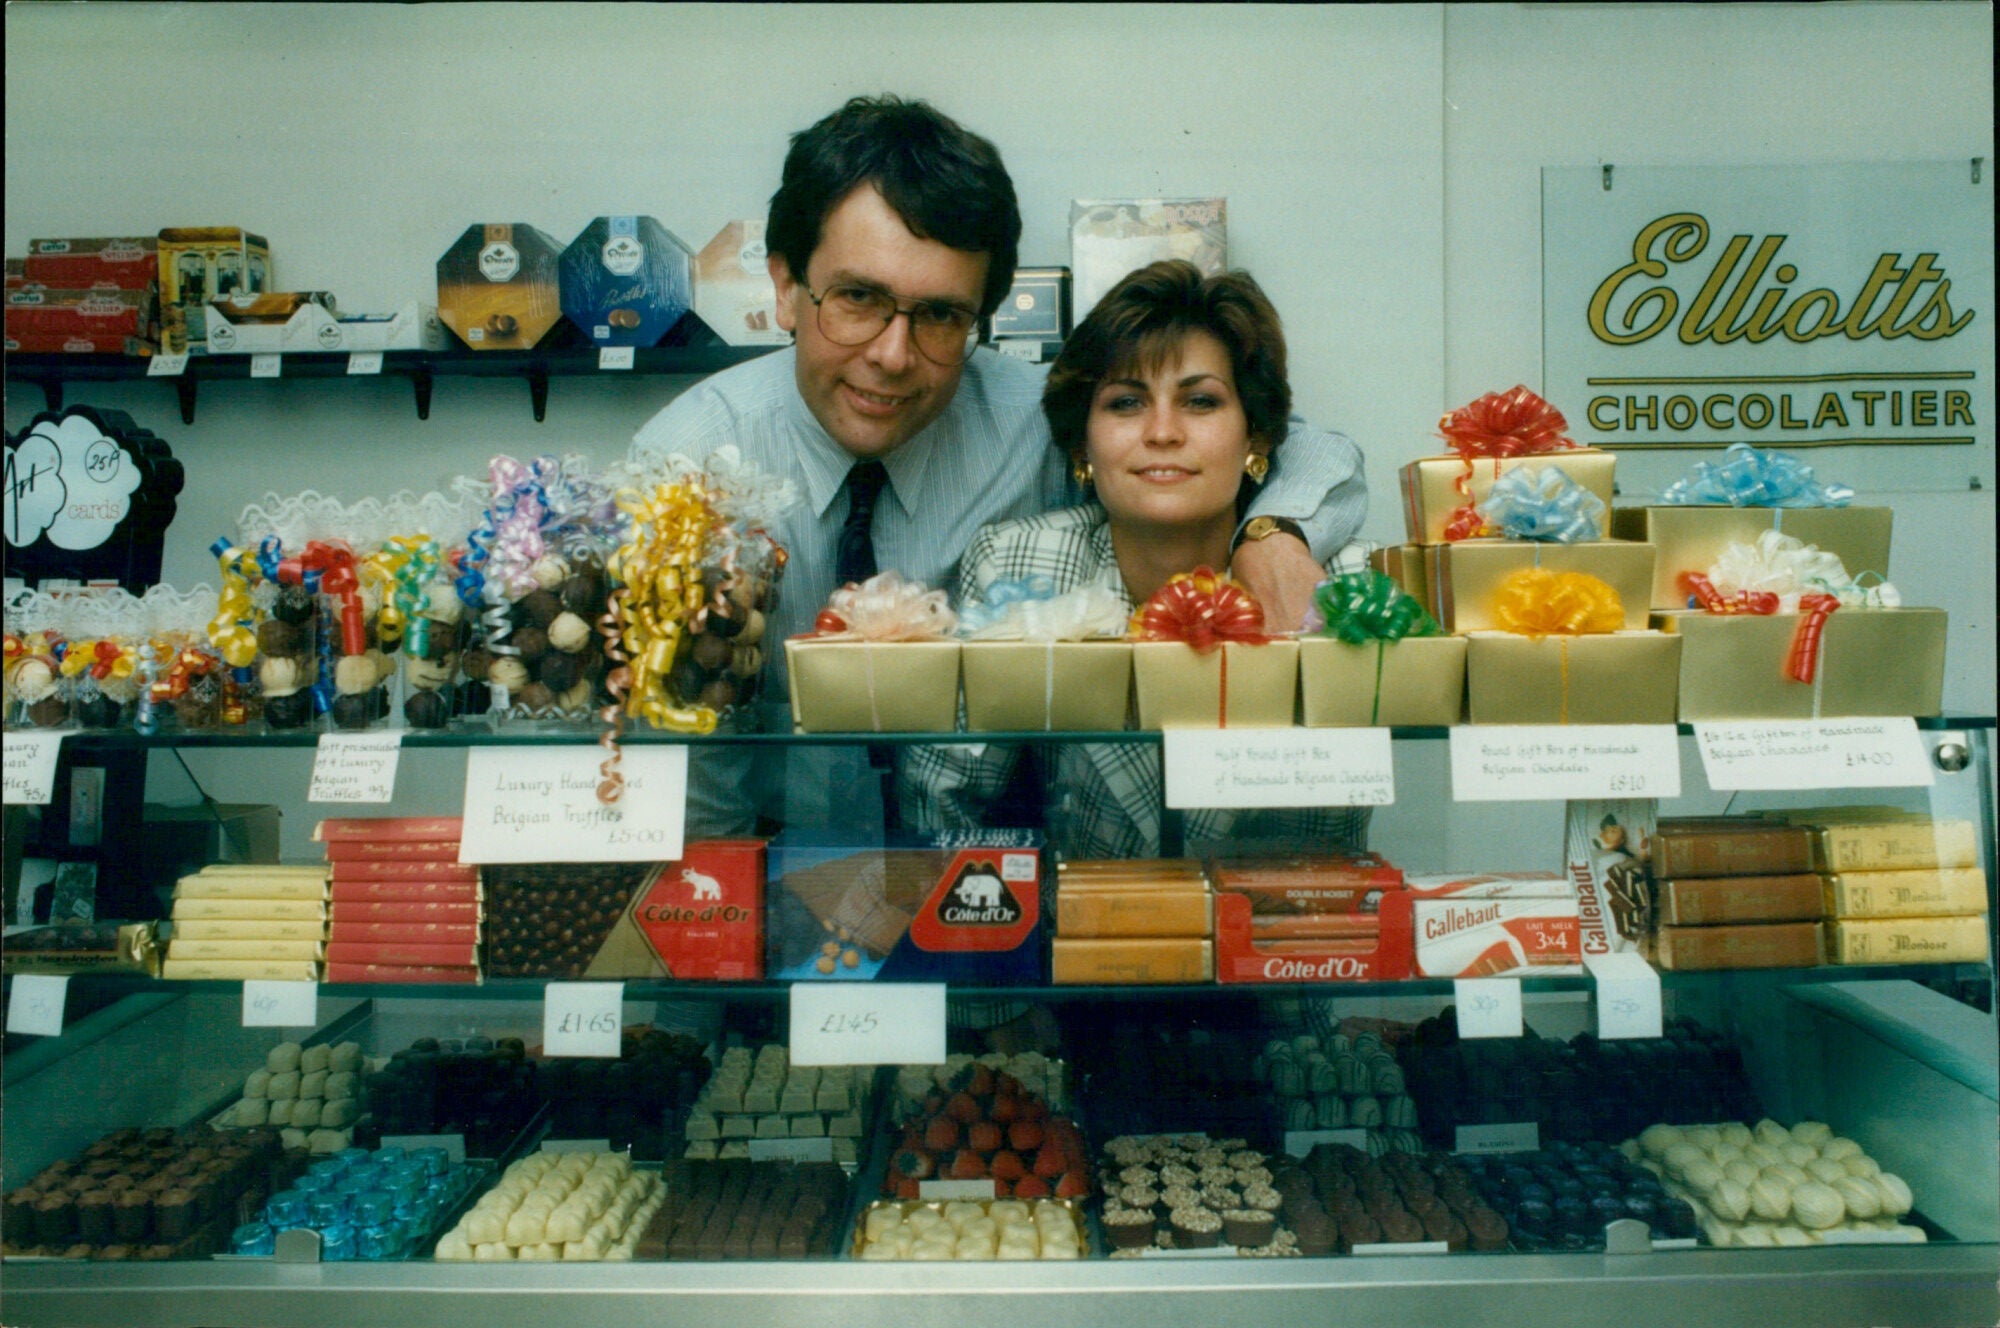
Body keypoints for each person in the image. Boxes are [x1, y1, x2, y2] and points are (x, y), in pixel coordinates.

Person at [631, 95, 1367, 835]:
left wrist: (1273, 531)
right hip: (754, 852)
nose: (891, 356)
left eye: (942, 315)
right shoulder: (689, 460)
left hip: (981, 879)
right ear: (787, 287)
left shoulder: (1031, 417)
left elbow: (1297, 444)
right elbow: (679, 755)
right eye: (857, 299)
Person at [899, 260, 1371, 859]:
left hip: (1283, 935)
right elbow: (943, 795)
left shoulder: (1337, 582)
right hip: (1079, 930)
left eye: (1200, 401)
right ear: (1081, 445)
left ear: (1256, 438)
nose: (1163, 432)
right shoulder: (1020, 561)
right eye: (1126, 402)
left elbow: (1336, 830)